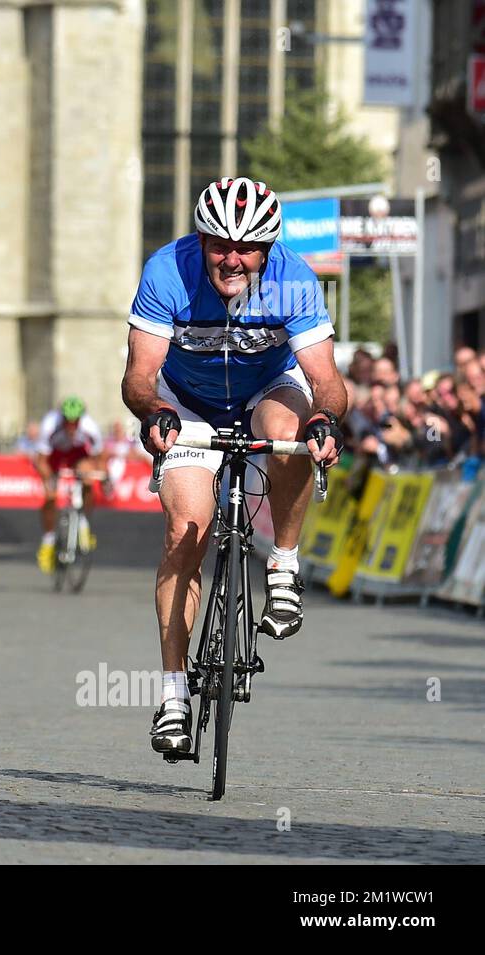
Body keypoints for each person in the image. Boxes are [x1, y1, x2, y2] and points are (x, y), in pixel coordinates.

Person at [121, 176, 345, 757]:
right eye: (219, 244)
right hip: (187, 404)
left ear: (269, 250)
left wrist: (325, 420)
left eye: (247, 248)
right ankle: (173, 696)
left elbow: (325, 380)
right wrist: (154, 411)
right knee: (184, 531)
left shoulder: (294, 278)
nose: (232, 258)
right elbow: (139, 375)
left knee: (289, 433)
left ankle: (283, 564)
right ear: (201, 241)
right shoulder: (166, 271)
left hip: (264, 389)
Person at [33, 395, 104, 574]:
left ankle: (83, 523)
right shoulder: (50, 425)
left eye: (75, 422)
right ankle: (48, 542)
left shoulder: (90, 427)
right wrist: (49, 479)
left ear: (81, 419)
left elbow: (98, 457)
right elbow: (40, 461)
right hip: (54, 455)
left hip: (76, 454)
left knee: (88, 479)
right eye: (67, 421)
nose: (71, 426)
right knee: (50, 495)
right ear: (61, 418)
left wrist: (104, 476)